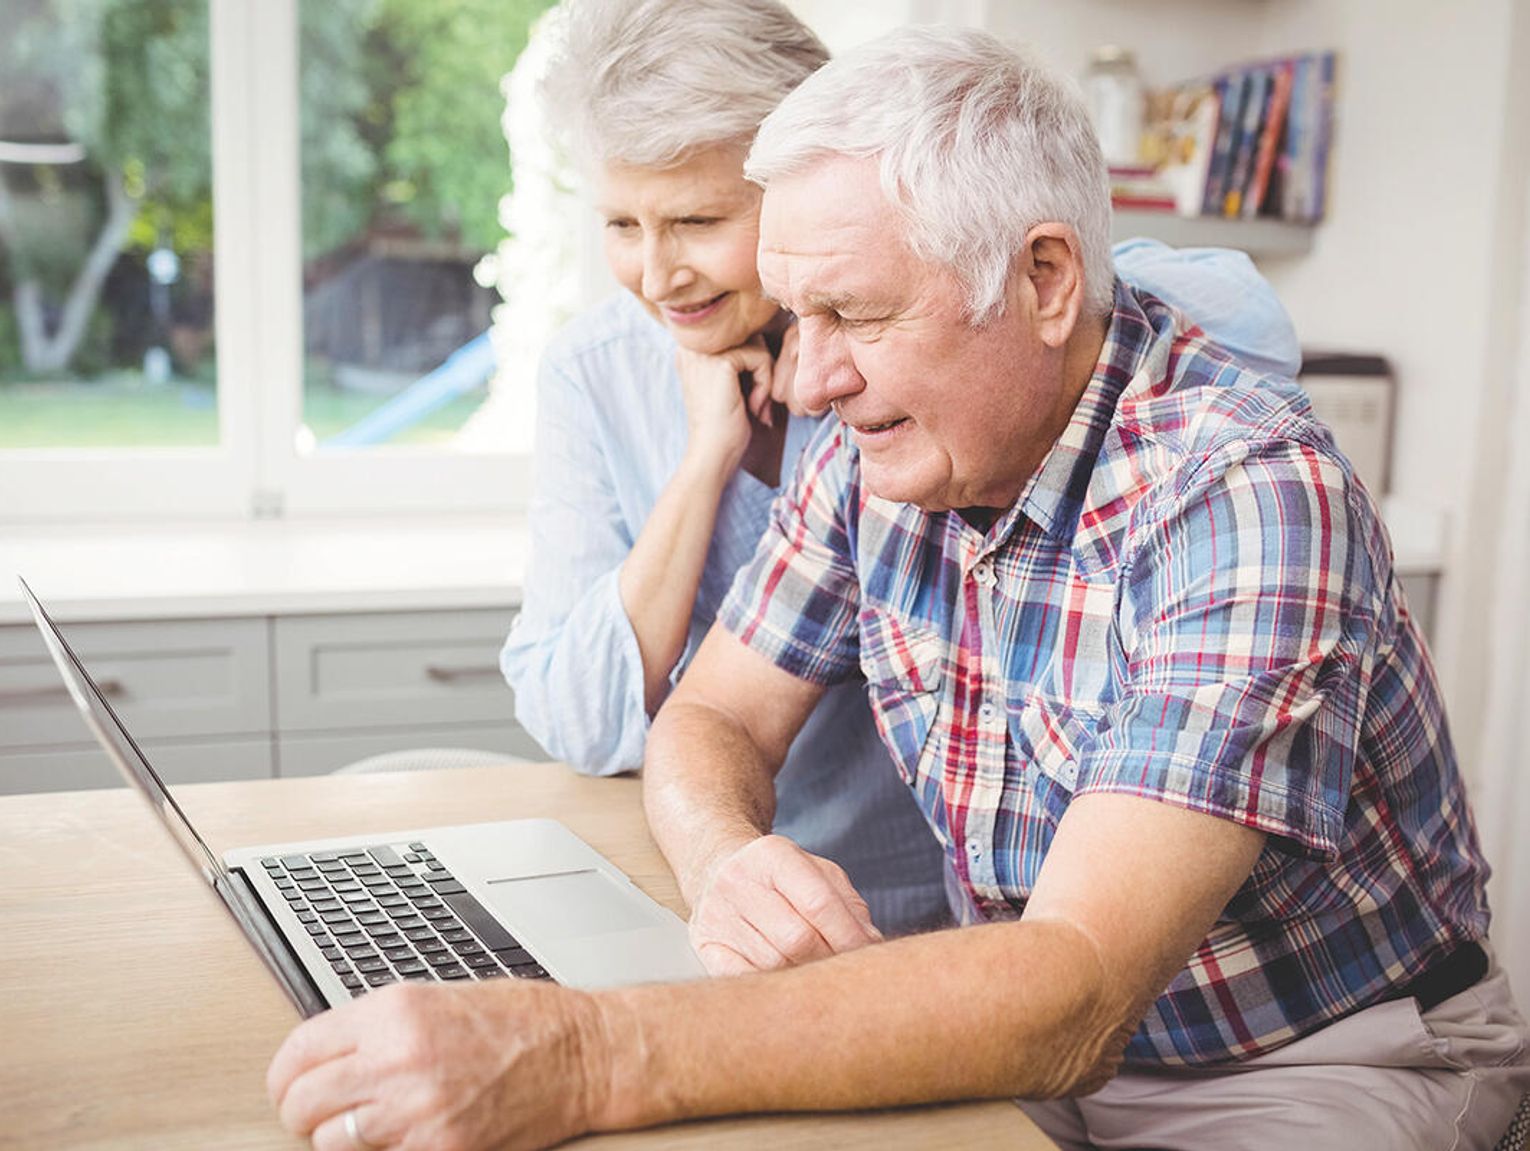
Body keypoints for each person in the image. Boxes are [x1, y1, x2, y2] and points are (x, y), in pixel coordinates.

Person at [268, 22, 1527, 1151]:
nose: (807, 383)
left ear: (1043, 281)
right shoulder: (890, 452)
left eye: (855, 315)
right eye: (797, 313)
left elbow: (1079, 981)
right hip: (1035, 1045)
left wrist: (589, 1050)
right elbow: (706, 718)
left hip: (1307, 1064)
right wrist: (727, 855)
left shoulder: (1247, 493)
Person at [498, 0, 1299, 948]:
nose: (658, 273)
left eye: (700, 219)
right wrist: (706, 455)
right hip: (753, 895)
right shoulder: (603, 372)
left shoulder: (963, 379)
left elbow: (1222, 313)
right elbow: (600, 720)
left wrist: (861, 308)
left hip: (945, 916)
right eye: (622, 224)